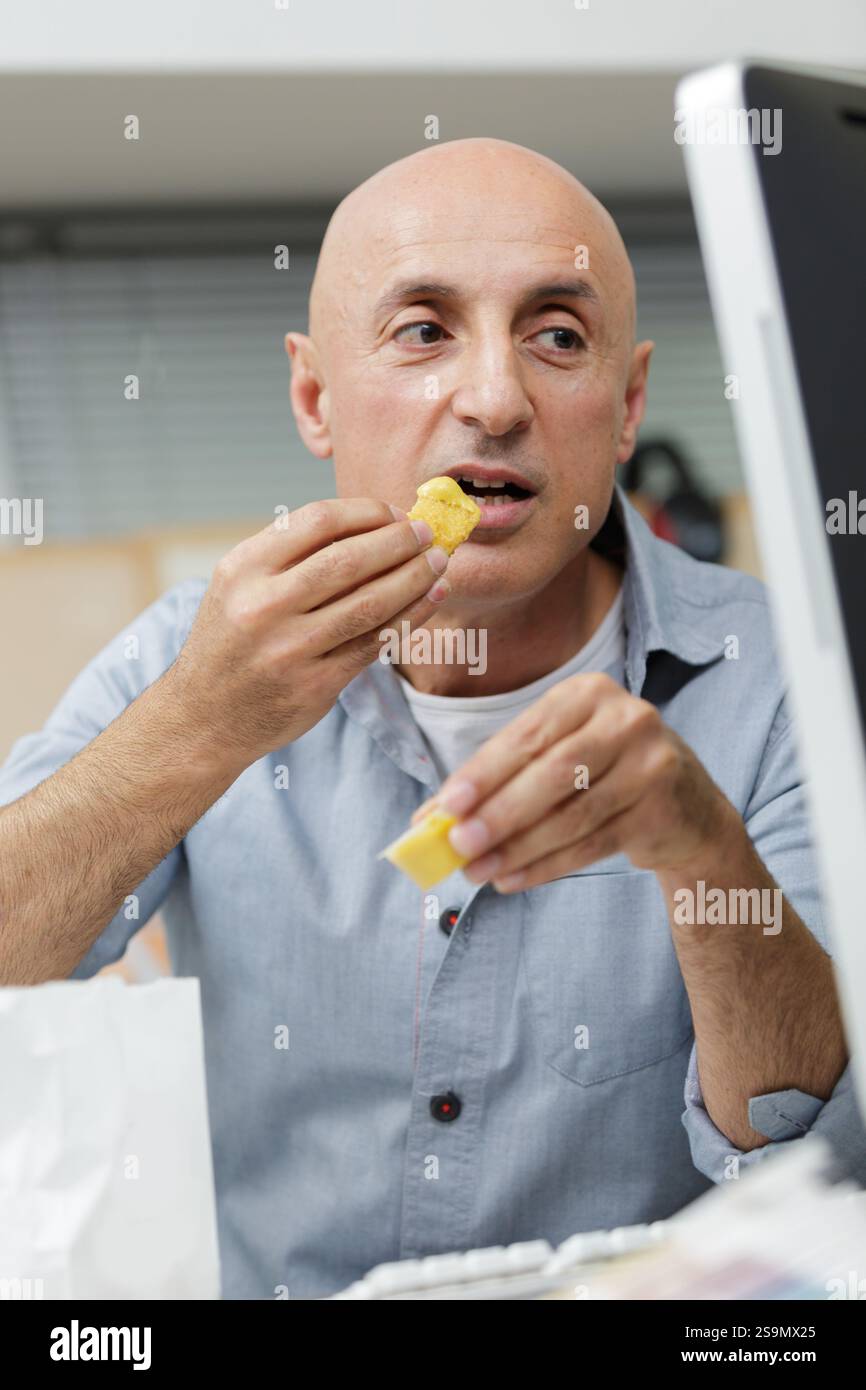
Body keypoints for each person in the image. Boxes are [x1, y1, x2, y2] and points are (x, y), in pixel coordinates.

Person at [1, 138, 862, 1300]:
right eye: (422, 331)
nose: (496, 401)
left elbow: (803, 1147)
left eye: (557, 335)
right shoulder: (185, 656)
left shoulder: (784, 681)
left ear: (627, 406)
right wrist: (201, 724)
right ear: (313, 397)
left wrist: (700, 847)